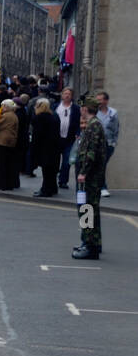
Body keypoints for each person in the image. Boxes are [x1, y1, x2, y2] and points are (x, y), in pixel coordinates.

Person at [74, 100, 107, 259]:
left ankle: (89, 245)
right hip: (92, 176)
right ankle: (93, 243)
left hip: (90, 177)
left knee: (87, 209)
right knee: (91, 209)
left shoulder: (94, 125)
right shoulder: (95, 124)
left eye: (82, 107)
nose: (80, 110)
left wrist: (83, 172)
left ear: (85, 108)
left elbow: (91, 151)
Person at [30, 98, 60, 197]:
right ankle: (53, 188)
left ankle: (45, 190)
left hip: (44, 148)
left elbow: (37, 136)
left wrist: (33, 150)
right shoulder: (54, 116)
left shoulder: (39, 118)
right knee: (52, 170)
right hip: (54, 147)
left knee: (46, 170)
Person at [0, 97, 20, 190]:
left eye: (2, 106)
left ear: (6, 107)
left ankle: (1, 185)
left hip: (3, 142)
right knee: (8, 164)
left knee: (2, 164)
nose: (1, 108)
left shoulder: (6, 116)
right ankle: (8, 184)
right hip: (10, 142)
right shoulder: (14, 115)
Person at [95, 91, 119, 197]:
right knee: (100, 164)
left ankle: (99, 186)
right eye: (97, 100)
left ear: (106, 101)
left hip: (108, 143)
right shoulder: (94, 112)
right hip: (96, 143)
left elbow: (116, 128)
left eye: (100, 100)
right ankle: (102, 187)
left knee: (101, 164)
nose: (99, 102)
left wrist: (113, 143)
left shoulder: (113, 113)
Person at [56, 88, 80, 189]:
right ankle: (53, 179)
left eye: (69, 94)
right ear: (62, 95)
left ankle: (63, 181)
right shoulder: (55, 106)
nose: (67, 95)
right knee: (54, 161)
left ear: (71, 96)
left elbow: (79, 121)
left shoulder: (75, 108)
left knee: (67, 161)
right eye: (65, 93)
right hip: (56, 138)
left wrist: (78, 133)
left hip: (69, 139)